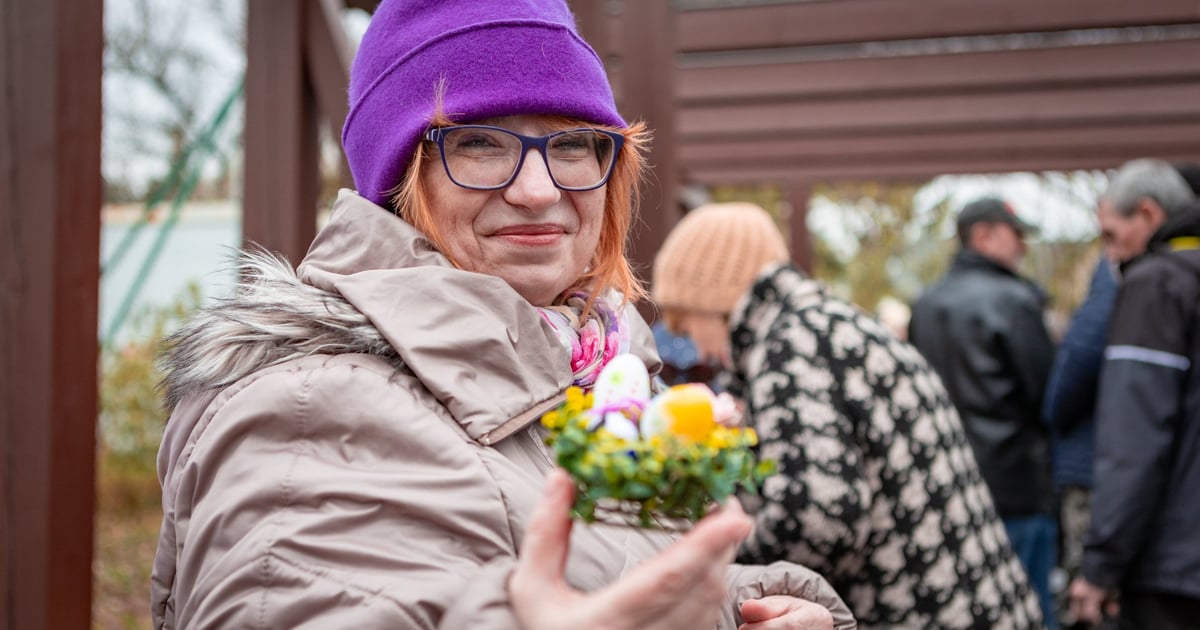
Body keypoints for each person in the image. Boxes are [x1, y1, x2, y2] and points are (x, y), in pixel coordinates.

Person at [149, 2, 855, 628]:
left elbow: (592, 574)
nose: (538, 189)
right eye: (479, 143)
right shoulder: (306, 409)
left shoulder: (593, 374)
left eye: (573, 143)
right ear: (398, 182)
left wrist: (750, 602)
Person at [652, 202, 1043, 629]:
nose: (699, 349)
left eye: (688, 327)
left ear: (712, 300)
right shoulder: (827, 324)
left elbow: (818, 523)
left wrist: (717, 563)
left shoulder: (791, 343)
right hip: (977, 604)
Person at [908, 196, 1058, 627]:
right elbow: (1045, 394)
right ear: (983, 235)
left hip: (949, 485)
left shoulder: (926, 303)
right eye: (1016, 234)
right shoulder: (1016, 299)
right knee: (1029, 608)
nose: (1022, 246)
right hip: (1016, 486)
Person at [1068, 159, 1200, 629]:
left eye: (1110, 233)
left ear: (1147, 214)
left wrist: (1100, 566)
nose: (1110, 255)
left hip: (1172, 570)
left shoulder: (1155, 284)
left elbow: (1136, 439)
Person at [1040, 255, 1119, 629]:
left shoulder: (1107, 294)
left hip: (1091, 470)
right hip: (1107, 469)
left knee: (1087, 594)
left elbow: (1063, 391)